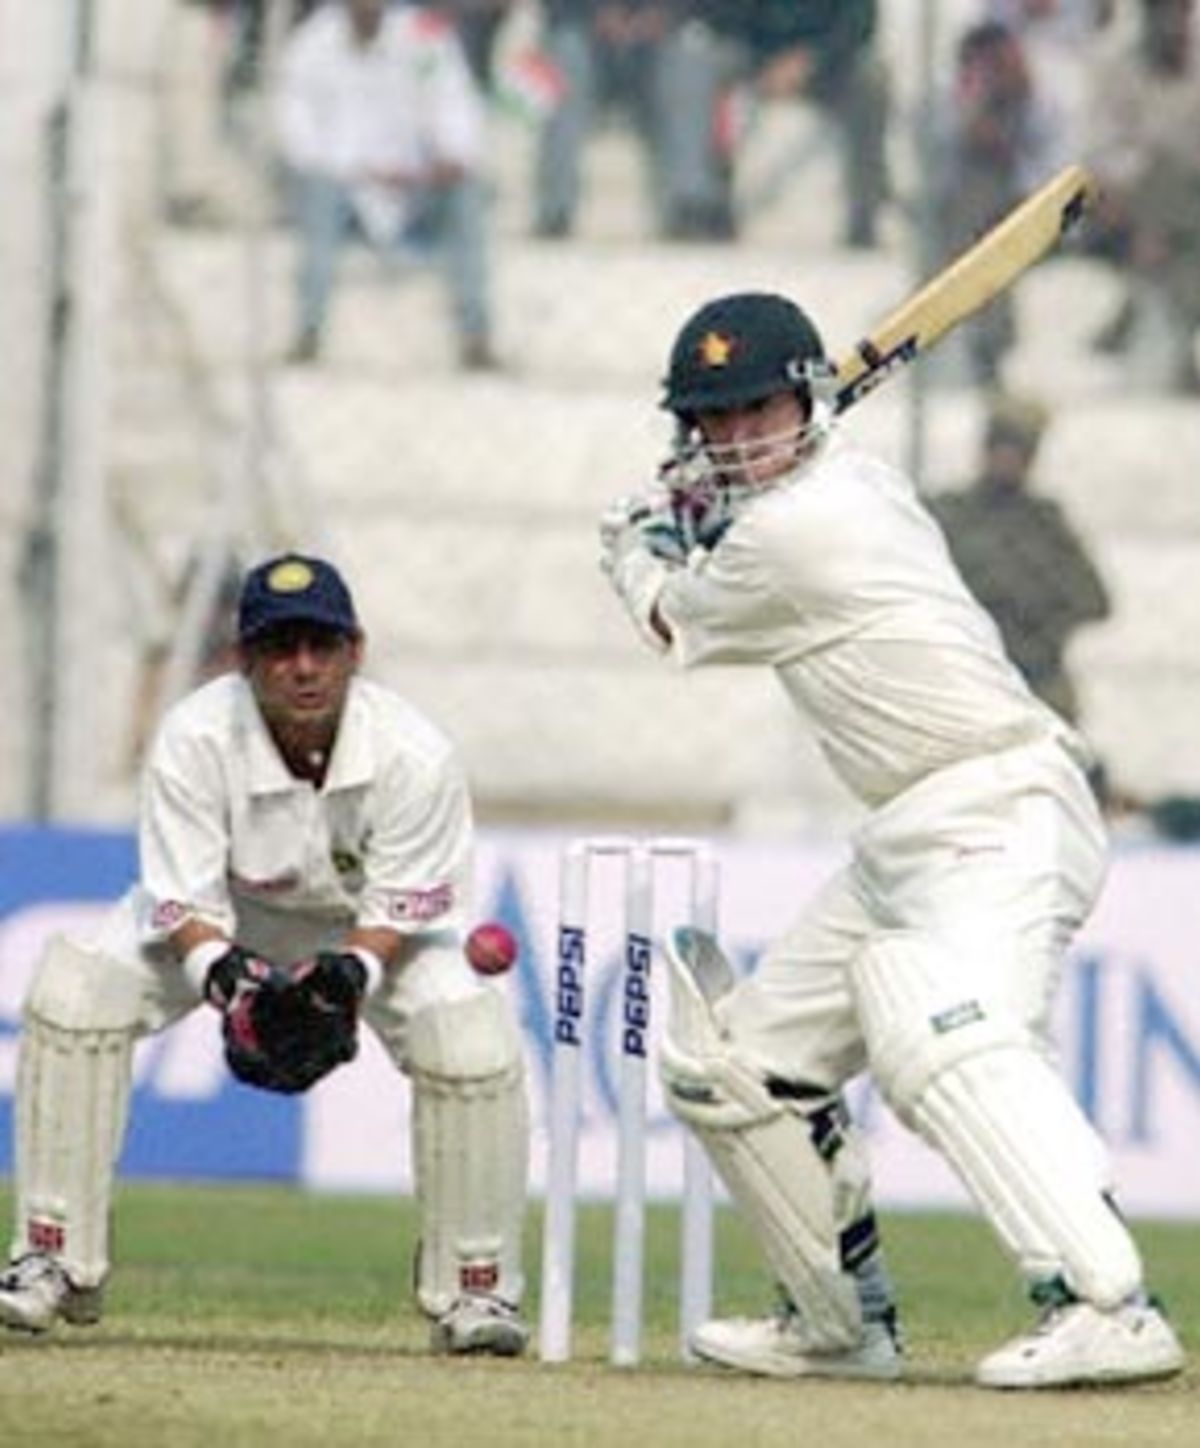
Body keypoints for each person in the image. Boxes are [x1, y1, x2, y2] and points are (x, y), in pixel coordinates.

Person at [598, 292, 1185, 1388]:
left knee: (941, 1023)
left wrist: (635, 543)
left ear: (809, 402)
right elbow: (728, 552)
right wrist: (695, 522)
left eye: (754, 410)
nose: (733, 438)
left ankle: (1111, 1302)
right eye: (711, 421)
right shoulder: (840, 486)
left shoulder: (807, 525)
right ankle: (839, 1320)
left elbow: (676, 620)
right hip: (909, 829)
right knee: (738, 1066)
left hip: (998, 808)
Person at [0, 553, 530, 1356]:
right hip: (228, 917)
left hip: (371, 929)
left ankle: (475, 1291)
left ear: (355, 648)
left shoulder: (415, 754)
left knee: (473, 1042)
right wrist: (230, 980)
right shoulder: (195, 736)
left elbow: (403, 903)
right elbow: (180, 898)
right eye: (280, 649)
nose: (304, 669)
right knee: (75, 998)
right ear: (246, 660)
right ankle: (50, 1255)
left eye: (320, 645)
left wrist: (347, 975)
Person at [275, 0, 498, 369]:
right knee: (318, 196)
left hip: (415, 186)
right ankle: (307, 332)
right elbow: (296, 132)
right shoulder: (313, 42)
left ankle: (475, 337)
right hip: (345, 188)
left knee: (465, 194)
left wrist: (449, 158)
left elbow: (455, 102)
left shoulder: (425, 36)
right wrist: (362, 171)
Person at [927, 393, 1111, 728]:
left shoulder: (1046, 523)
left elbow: (1094, 601)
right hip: (961, 674)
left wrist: (1040, 617)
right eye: (1002, 447)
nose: (1008, 460)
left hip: (1034, 678)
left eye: (1019, 451)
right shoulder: (948, 516)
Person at [927, 20, 1067, 383]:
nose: (997, 77)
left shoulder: (1045, 107)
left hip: (1040, 217)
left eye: (1002, 65)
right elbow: (933, 184)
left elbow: (1056, 178)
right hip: (967, 223)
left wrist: (1010, 152)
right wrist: (972, 120)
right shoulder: (943, 105)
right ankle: (985, 342)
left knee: (989, 211)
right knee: (975, 200)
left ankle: (989, 341)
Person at [1081, 0, 1200, 394]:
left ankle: (1143, 311)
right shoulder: (1114, 60)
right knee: (1159, 172)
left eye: (1179, 10)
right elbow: (1099, 150)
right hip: (1127, 208)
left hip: (1190, 202)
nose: (1172, 21)